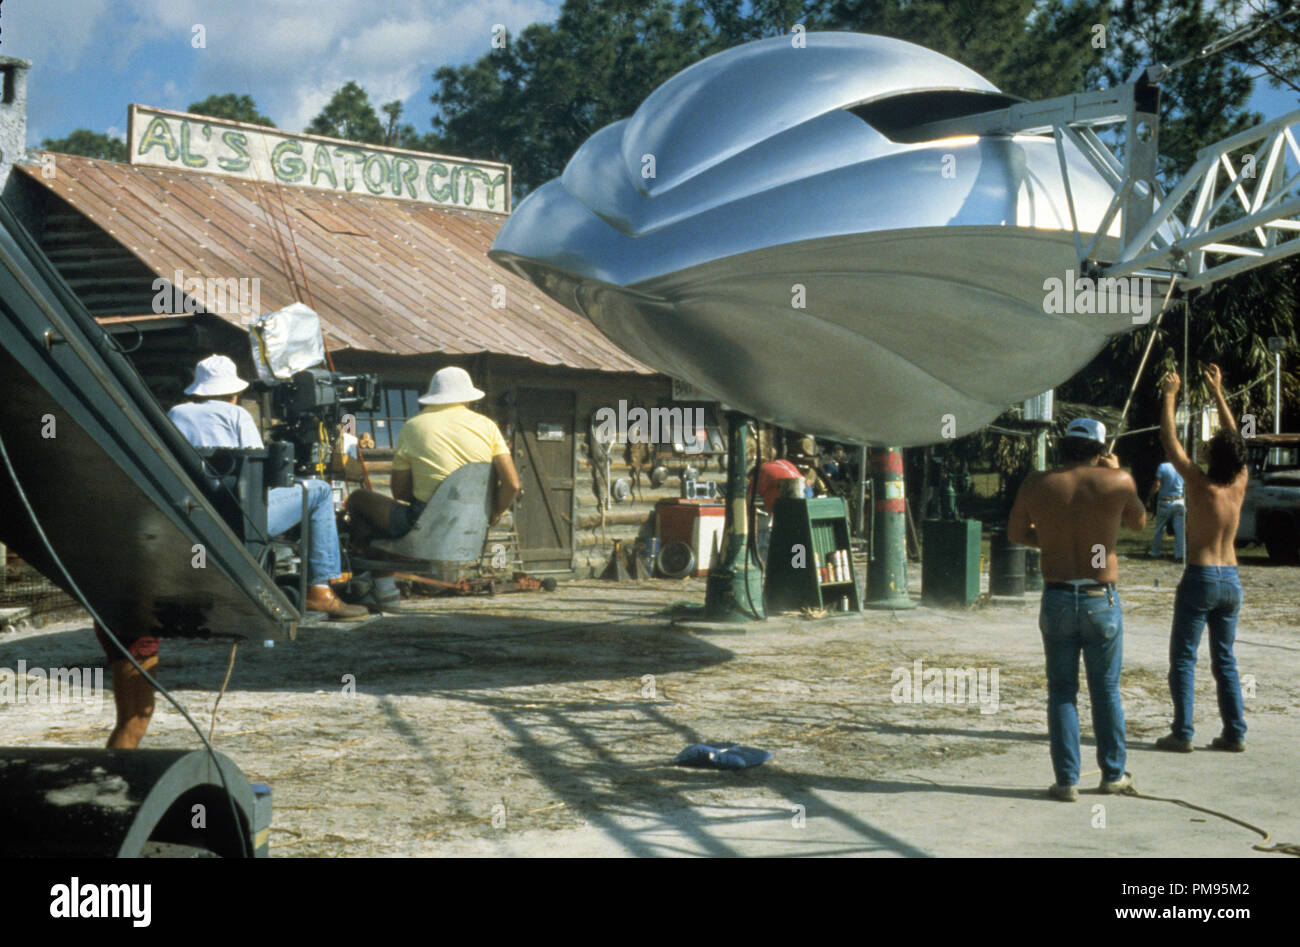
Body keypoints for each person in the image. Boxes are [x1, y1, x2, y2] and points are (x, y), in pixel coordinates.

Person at [1008, 417, 1147, 801]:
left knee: (1062, 692)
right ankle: (1112, 774)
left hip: (1057, 595)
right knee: (1105, 691)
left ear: (1064, 445)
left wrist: (1052, 542)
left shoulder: (1037, 483)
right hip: (1098, 595)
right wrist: (1117, 473)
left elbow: (1017, 533)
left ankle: (1067, 779)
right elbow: (1139, 522)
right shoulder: (1116, 482)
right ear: (1100, 450)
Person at [168, 355, 367, 622]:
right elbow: (257, 469)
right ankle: (319, 589)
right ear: (234, 393)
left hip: (194, 510)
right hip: (242, 516)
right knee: (318, 490)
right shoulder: (236, 414)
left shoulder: (176, 413)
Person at [344, 367, 520, 605]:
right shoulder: (487, 426)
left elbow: (400, 492)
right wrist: (493, 513)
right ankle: (375, 581)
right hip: (473, 525)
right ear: (467, 397)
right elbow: (512, 483)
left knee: (358, 500)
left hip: (422, 524)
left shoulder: (414, 426)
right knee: (381, 532)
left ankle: (376, 582)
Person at [1153, 366, 1250, 754]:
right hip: (1231, 579)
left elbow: (1169, 439)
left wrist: (1170, 395)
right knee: (1224, 660)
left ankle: (1183, 732)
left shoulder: (1199, 483)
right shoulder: (1239, 480)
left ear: (1214, 456)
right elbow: (1237, 440)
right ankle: (1235, 732)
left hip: (1201, 577)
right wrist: (1218, 392)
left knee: (1183, 659)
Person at [1147, 458, 1186, 559]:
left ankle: (1155, 552)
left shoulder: (1163, 467)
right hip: (1179, 500)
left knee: (1159, 528)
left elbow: (1157, 484)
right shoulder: (1182, 467)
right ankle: (1180, 554)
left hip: (1165, 501)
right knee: (1179, 530)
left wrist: (1150, 497)